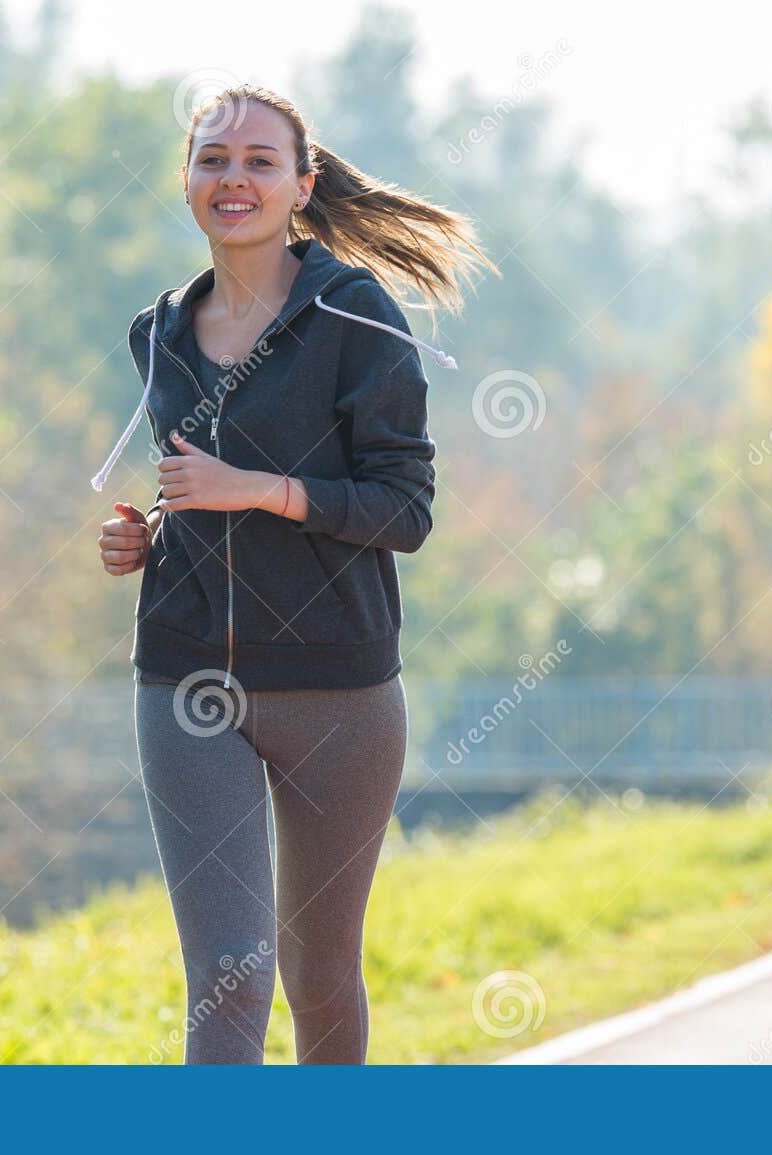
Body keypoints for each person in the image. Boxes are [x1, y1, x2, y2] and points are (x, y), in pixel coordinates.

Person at [92, 84, 497, 1064]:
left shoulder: (358, 317)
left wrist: (254, 489)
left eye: (259, 161)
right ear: (188, 183)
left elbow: (405, 510)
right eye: (214, 159)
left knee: (319, 977)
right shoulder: (160, 333)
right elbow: (197, 490)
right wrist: (146, 533)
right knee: (230, 976)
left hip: (338, 689)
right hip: (188, 684)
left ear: (301, 184)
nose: (234, 178)